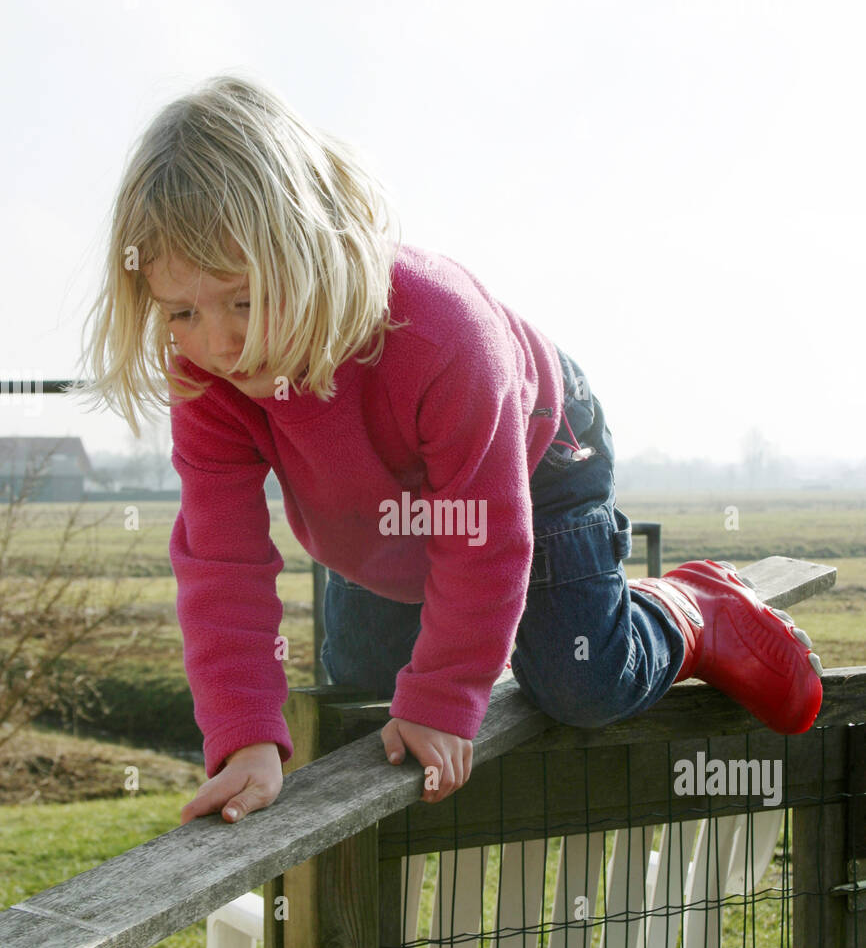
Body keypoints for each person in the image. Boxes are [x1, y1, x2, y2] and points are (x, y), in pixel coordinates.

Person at [79, 75, 823, 824]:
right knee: (367, 691)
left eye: (243, 299)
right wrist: (244, 736)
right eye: (182, 311)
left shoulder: (441, 333)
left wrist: (444, 694)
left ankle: (688, 610)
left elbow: (482, 533)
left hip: (533, 461)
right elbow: (221, 561)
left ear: (313, 248)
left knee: (581, 684)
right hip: (378, 517)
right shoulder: (206, 376)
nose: (220, 343)